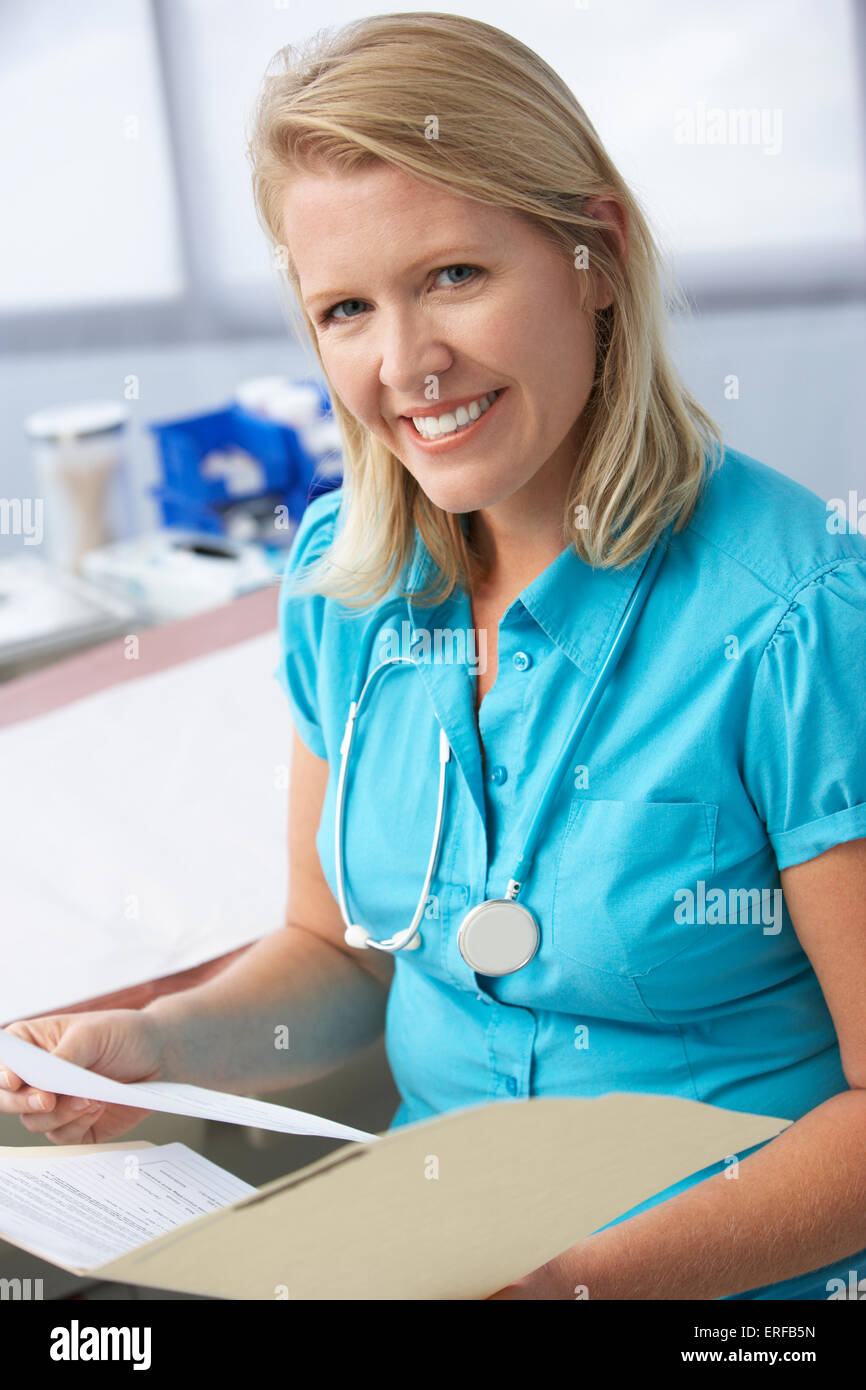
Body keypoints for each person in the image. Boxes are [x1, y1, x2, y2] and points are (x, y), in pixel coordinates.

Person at [2, 12, 866, 1301]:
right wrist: (162, 1045)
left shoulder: (802, 620)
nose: (407, 365)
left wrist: (572, 1287)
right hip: (429, 1258)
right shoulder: (341, 584)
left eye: (454, 275)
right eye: (347, 308)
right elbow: (342, 954)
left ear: (596, 255)